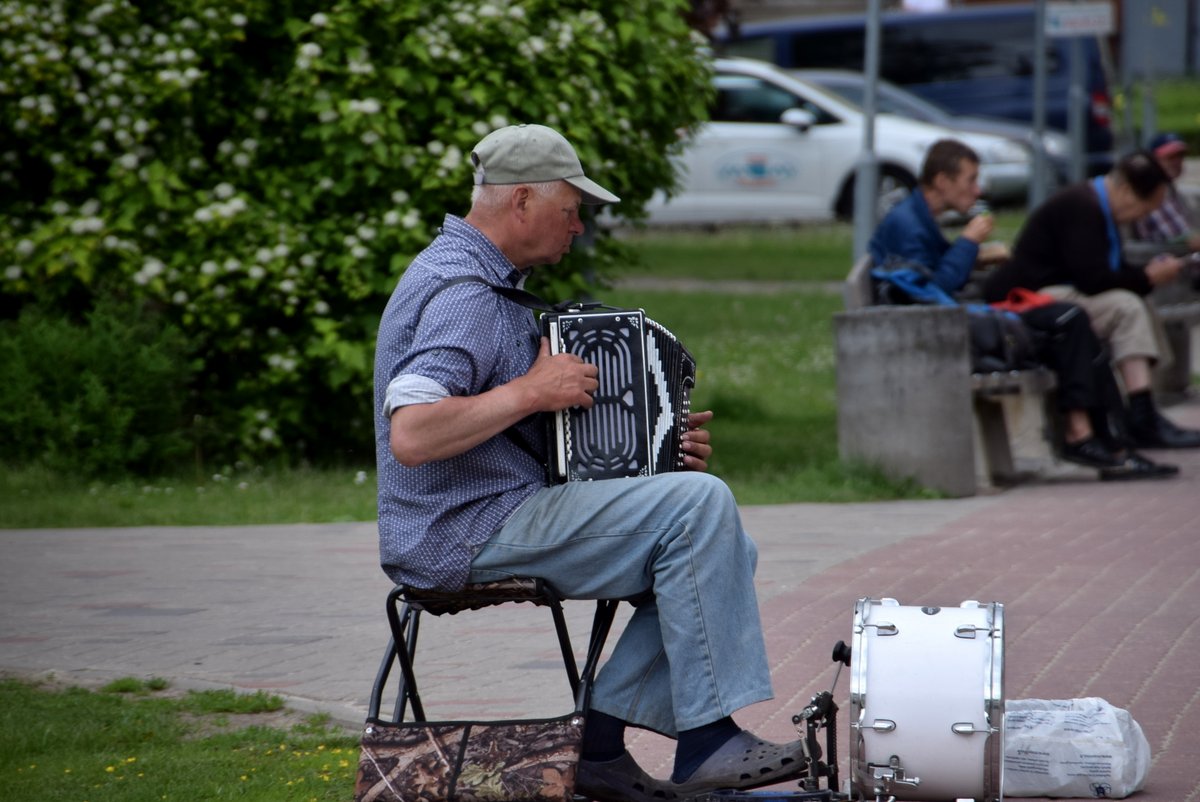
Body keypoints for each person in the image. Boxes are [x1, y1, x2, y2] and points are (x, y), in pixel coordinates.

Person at [373, 124, 806, 802]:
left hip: (495, 510)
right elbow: (413, 433)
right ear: (521, 201)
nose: (579, 224)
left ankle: (598, 747)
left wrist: (656, 448)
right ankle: (707, 743)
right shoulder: (462, 293)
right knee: (701, 507)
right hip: (462, 529)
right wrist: (529, 390)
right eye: (571, 206)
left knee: (721, 545)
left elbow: (522, 433)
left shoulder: (482, 281)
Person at [870, 138, 1177, 479]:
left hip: (952, 321)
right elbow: (935, 289)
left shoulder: (917, 218)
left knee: (1070, 322)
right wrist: (969, 242)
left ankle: (1110, 442)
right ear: (942, 181)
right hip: (939, 331)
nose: (977, 189)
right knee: (1069, 320)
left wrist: (977, 255)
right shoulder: (908, 223)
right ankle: (1092, 439)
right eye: (970, 179)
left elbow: (930, 278)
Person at [982, 149, 1200, 449]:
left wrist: (1146, 275)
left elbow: (1106, 270)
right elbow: (1094, 278)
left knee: (1139, 304)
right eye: (1145, 207)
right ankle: (1142, 417)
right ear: (1125, 191)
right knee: (1127, 307)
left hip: (1056, 293)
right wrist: (1148, 277)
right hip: (1028, 299)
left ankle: (1143, 408)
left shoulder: (1098, 205)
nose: (1143, 216)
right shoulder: (1083, 207)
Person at [1132, 132, 1200, 250]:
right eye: (1170, 157)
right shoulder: (1153, 190)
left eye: (1180, 156)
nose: (1177, 161)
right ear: (1153, 160)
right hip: (1161, 259)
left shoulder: (1170, 189)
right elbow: (1185, 238)